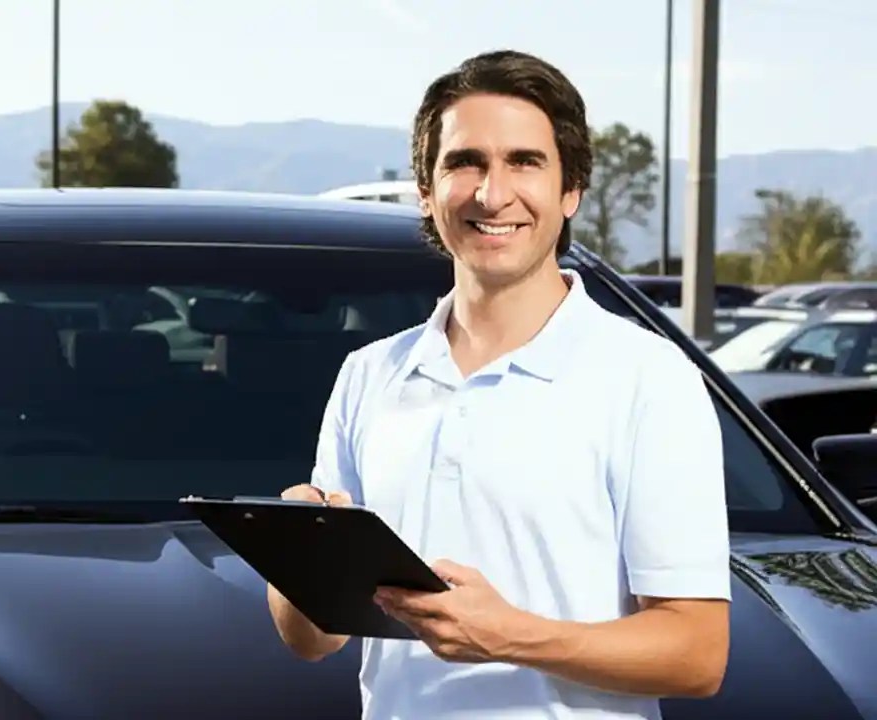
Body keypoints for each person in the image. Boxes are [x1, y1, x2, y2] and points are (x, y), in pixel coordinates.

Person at [267, 49, 730, 719]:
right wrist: (298, 555)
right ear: (426, 190)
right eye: (464, 162)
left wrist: (508, 635)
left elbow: (697, 653)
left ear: (570, 191)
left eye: (524, 161)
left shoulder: (648, 377)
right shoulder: (371, 374)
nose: (492, 193)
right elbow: (314, 640)